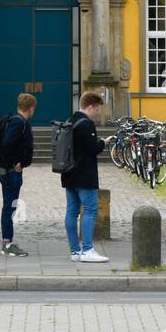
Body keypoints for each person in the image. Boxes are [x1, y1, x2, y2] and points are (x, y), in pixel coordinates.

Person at [62, 91, 108, 263]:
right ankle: (87, 249)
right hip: (84, 174)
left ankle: (75, 251)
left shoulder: (70, 121)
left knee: (72, 212)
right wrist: (104, 142)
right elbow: (92, 148)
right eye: (96, 110)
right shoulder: (86, 124)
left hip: (68, 173)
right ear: (90, 107)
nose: (97, 113)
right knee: (90, 210)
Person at [0, 92, 36, 258]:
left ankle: (7, 241)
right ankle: (7, 244)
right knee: (9, 207)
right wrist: (15, 163)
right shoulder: (19, 123)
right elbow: (7, 144)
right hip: (10, 172)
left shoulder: (16, 120)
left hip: (7, 171)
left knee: (9, 206)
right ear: (31, 108)